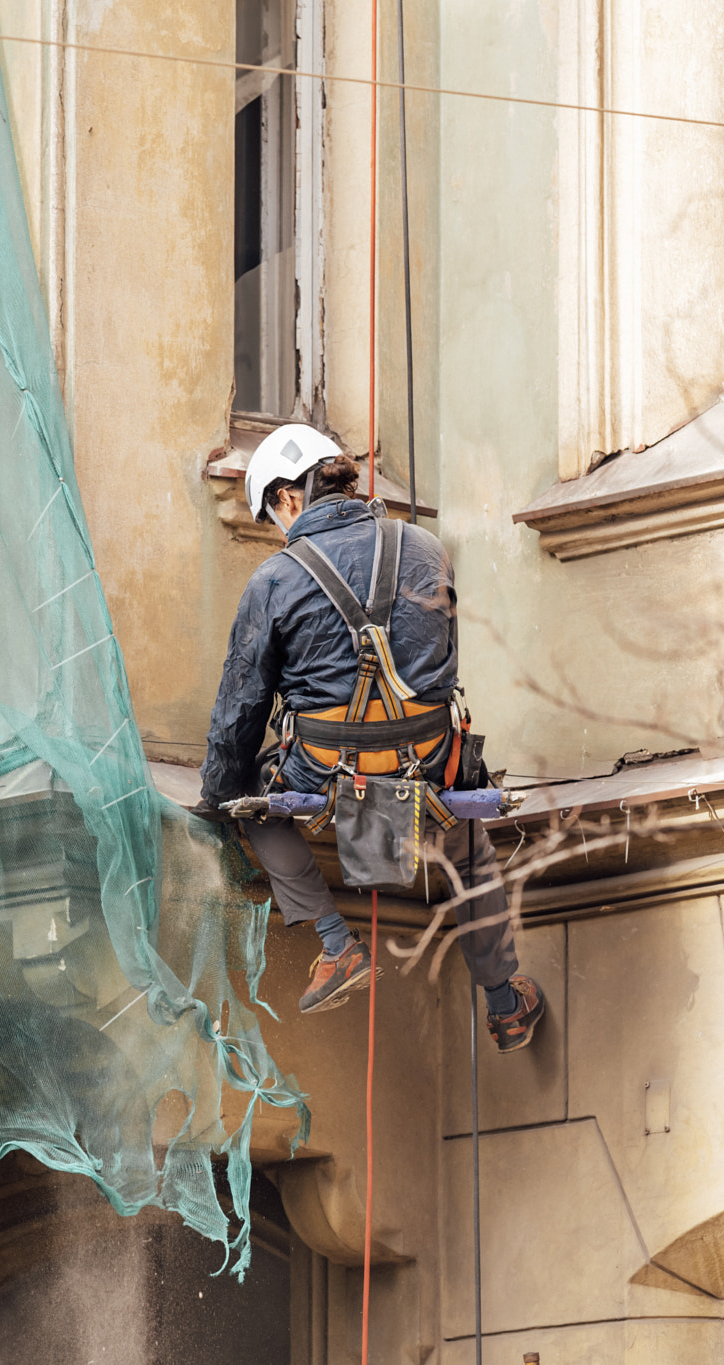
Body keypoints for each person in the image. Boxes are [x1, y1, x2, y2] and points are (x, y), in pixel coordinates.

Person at [194, 424, 545, 1052]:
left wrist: (217, 796)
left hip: (325, 770)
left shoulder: (273, 581)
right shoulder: (427, 548)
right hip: (425, 763)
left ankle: (337, 946)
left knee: (245, 789)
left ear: (289, 498)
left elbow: (238, 715)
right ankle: (503, 1001)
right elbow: (444, 668)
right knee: (465, 841)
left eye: (275, 512)